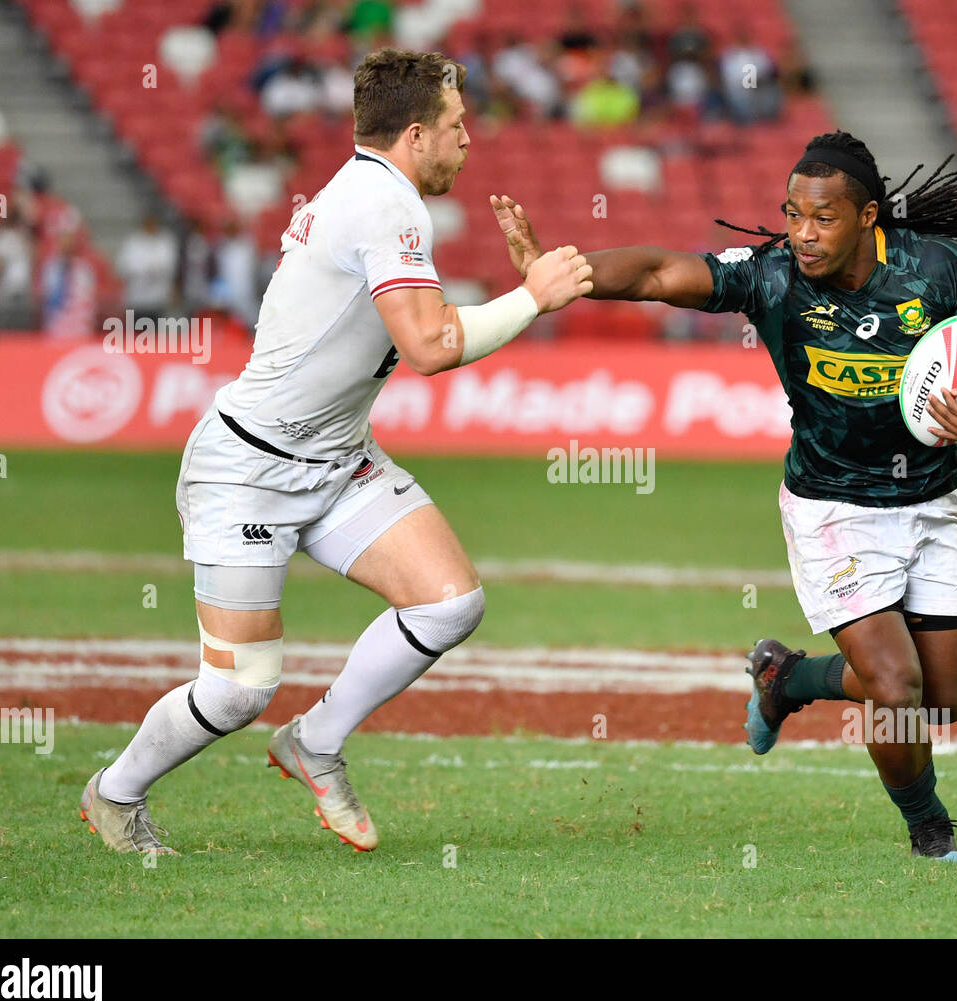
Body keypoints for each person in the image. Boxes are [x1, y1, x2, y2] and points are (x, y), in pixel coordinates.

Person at [79, 48, 593, 856]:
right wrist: (532, 297)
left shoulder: (370, 191)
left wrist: (525, 295)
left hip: (336, 458)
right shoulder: (386, 206)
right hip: (250, 470)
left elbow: (416, 326)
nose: (469, 140)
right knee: (239, 690)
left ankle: (315, 741)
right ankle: (114, 793)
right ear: (415, 135)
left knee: (449, 603)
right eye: (457, 126)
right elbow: (428, 347)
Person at [492, 130, 957, 862]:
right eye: (793, 214)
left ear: (867, 218)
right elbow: (659, 272)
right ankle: (930, 833)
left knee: (942, 700)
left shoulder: (935, 270)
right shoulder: (774, 276)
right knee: (894, 685)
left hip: (932, 501)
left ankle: (785, 677)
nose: (803, 233)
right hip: (832, 508)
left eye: (823, 218)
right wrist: (558, 274)